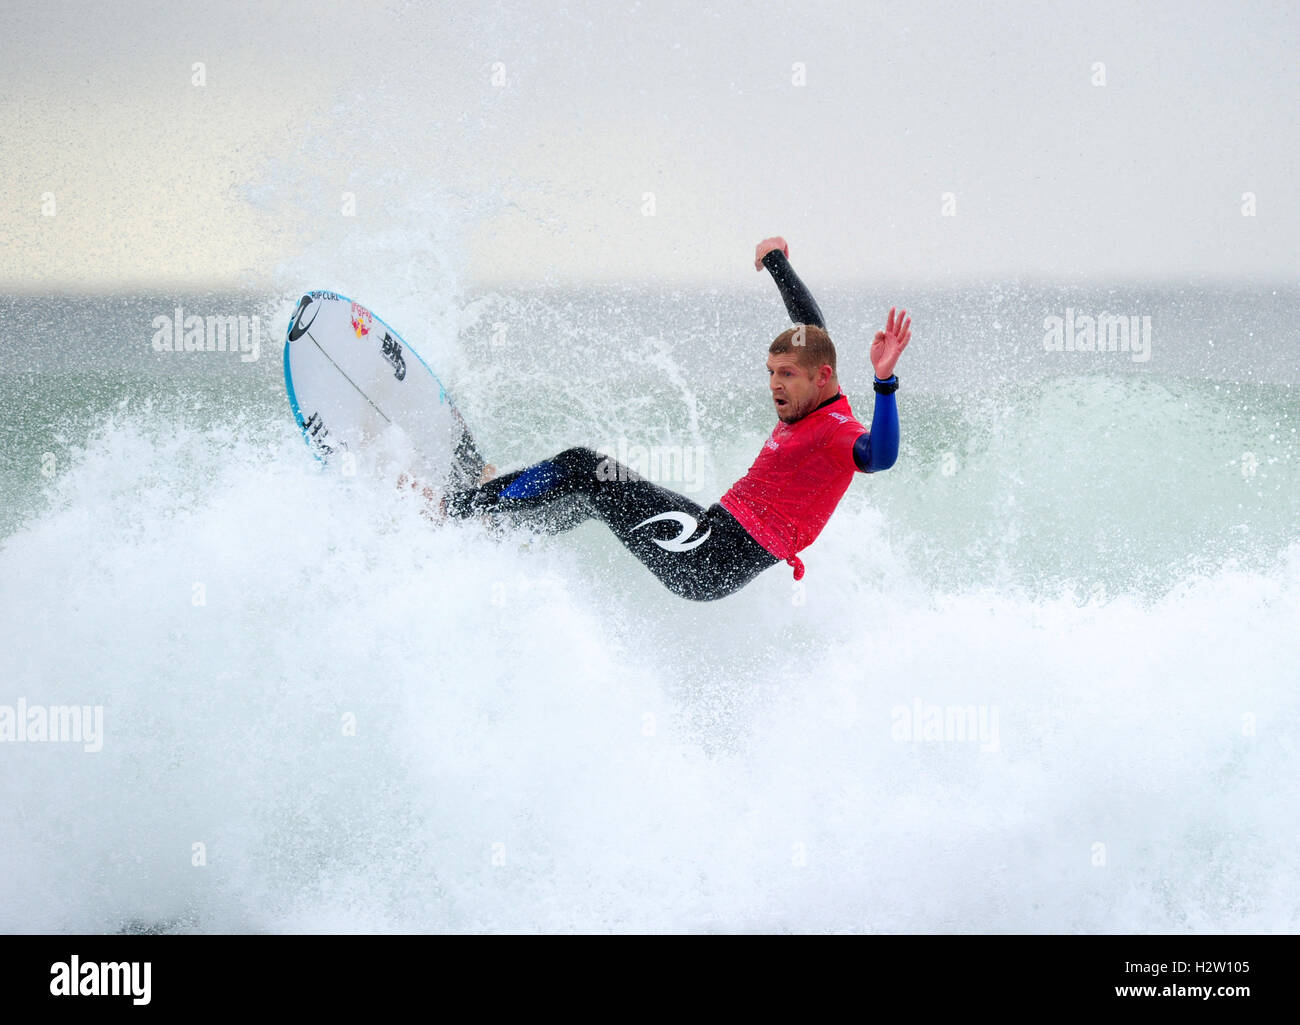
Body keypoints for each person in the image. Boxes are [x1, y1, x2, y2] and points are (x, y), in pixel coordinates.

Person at [443, 236, 911, 600]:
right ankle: (500, 525)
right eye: (771, 372)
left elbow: (880, 457)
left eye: (786, 374)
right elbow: (811, 324)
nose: (774, 385)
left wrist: (884, 382)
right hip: (710, 530)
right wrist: (776, 261)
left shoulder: (837, 430)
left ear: (822, 377)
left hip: (707, 559)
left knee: (584, 467)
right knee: (591, 499)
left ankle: (455, 509)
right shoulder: (817, 392)